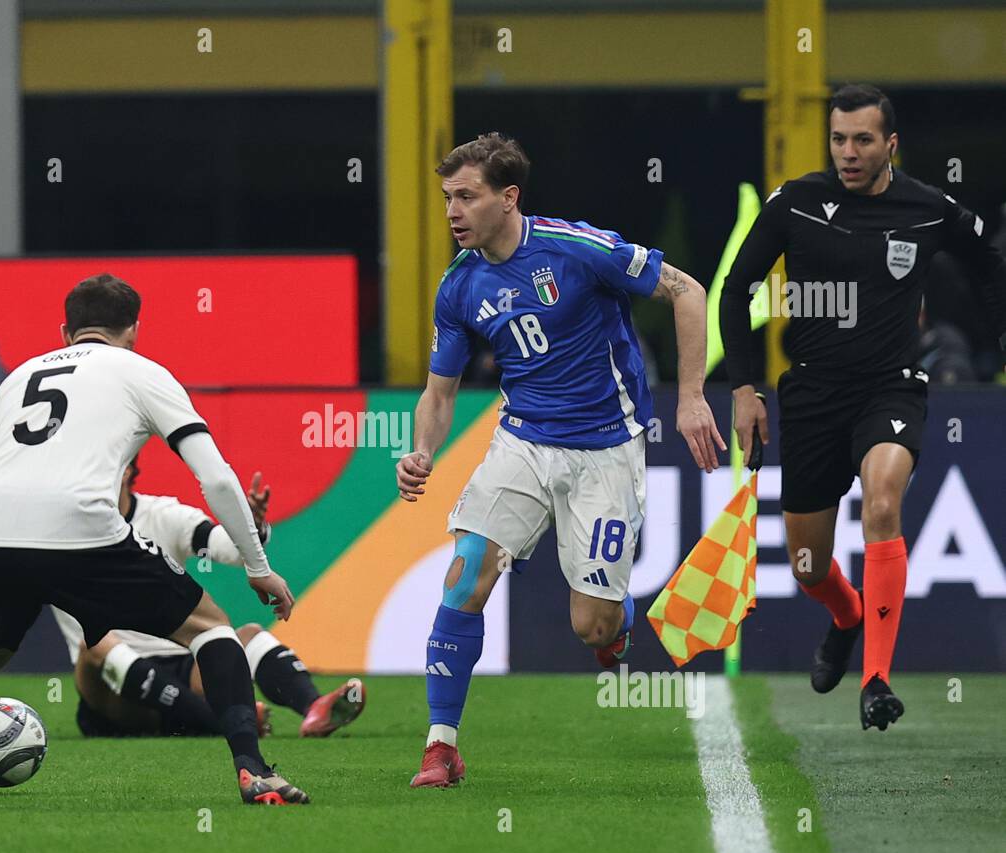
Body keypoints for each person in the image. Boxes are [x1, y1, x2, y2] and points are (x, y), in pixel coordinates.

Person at [0, 273, 310, 807]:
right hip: (81, 527)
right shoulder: (141, 370)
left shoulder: (16, 379)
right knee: (212, 628)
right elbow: (218, 479)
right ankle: (253, 772)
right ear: (133, 331)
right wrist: (257, 563)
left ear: (65, 331)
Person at [396, 133, 723, 788]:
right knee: (464, 574)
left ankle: (615, 628)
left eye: (466, 197)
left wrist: (690, 399)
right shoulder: (459, 286)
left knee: (590, 624)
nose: (452, 212)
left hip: (607, 446)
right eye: (446, 199)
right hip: (521, 440)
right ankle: (441, 746)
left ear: (508, 197)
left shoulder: (578, 249)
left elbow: (686, 291)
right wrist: (421, 450)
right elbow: (439, 392)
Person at [718, 84, 1006, 730]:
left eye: (863, 141)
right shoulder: (796, 202)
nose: (848, 153)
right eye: (839, 139)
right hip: (815, 394)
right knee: (808, 566)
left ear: (891, 145)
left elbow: (987, 258)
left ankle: (875, 679)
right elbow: (736, 291)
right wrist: (742, 388)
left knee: (883, 501)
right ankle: (846, 616)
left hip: (892, 389)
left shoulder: (927, 209)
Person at [0, 457, 366, 739]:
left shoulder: (163, 515)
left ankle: (313, 709)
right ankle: (221, 721)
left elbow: (221, 545)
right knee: (97, 644)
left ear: (130, 470)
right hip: (109, 691)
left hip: (178, 665)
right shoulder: (53, 531)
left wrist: (251, 529)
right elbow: (1, 607)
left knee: (247, 636)